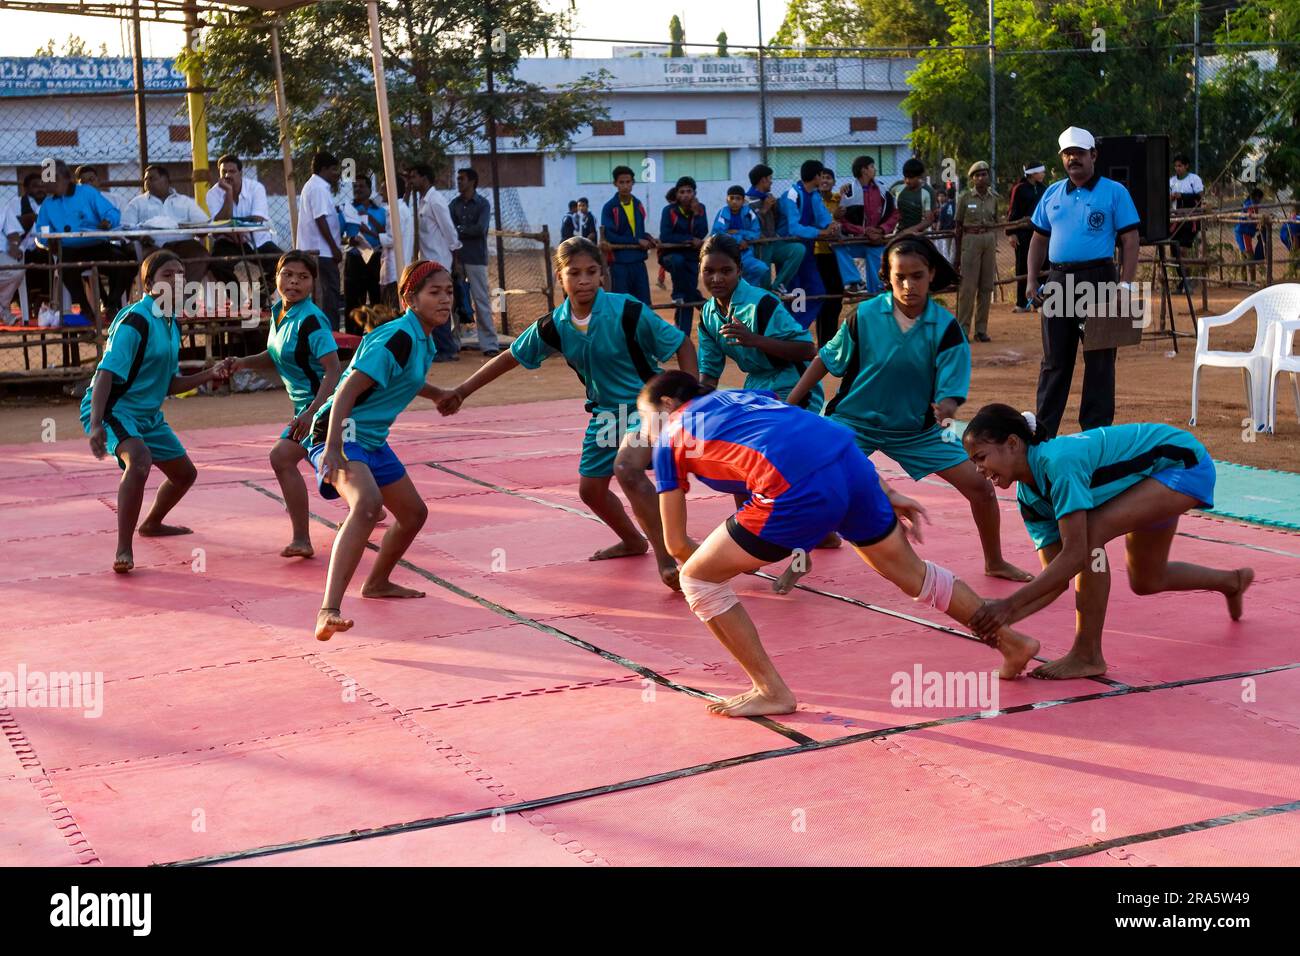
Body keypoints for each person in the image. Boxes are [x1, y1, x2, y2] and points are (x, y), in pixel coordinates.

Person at [641, 372, 1042, 717]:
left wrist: (717, 577)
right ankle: (1012, 642)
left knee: (698, 581)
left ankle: (770, 690)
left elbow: (676, 544)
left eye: (643, 419)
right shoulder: (742, 395)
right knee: (913, 573)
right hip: (850, 464)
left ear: (666, 403)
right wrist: (884, 489)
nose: (643, 431)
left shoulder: (670, 435)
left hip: (794, 487)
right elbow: (809, 434)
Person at [437, 236, 697, 590]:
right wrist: (462, 391)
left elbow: (682, 342)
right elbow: (510, 356)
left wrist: (687, 400)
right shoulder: (554, 325)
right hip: (606, 415)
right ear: (560, 277)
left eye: (591, 272)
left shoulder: (628, 310)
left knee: (627, 469)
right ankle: (633, 540)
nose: (584, 280)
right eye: (574, 273)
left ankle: (669, 559)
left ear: (603, 275)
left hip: (647, 407)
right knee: (590, 491)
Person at [787, 234, 1031, 591]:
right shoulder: (865, 315)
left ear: (931, 274)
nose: (908, 284)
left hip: (916, 431)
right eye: (899, 276)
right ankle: (807, 547)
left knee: (981, 487)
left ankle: (995, 562)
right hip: (853, 423)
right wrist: (792, 402)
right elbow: (826, 359)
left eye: (916, 275)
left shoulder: (945, 328)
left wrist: (947, 405)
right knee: (813, 479)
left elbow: (950, 387)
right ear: (887, 276)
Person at [963, 404, 1254, 680]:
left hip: (1183, 465)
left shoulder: (1058, 462)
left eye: (981, 457)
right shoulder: (1029, 500)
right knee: (1148, 580)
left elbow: (1076, 555)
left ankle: (1088, 653)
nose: (978, 469)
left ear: (1013, 443)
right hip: (1144, 484)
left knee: (1089, 536)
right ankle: (1232, 581)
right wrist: (1002, 622)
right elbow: (1057, 577)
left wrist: (1009, 606)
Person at [308, 260, 461, 641]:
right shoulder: (397, 337)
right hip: (340, 431)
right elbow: (346, 389)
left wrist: (436, 393)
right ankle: (328, 611)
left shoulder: (423, 338)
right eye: (434, 293)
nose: (445, 300)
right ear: (410, 298)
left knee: (413, 514)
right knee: (367, 505)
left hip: (372, 438)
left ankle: (376, 582)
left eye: (449, 292)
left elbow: (406, 378)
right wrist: (332, 448)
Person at [696, 233, 836, 589]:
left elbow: (807, 350)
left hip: (794, 386)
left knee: (784, 474)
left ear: (739, 271)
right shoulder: (709, 314)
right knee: (737, 464)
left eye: (725, 270)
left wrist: (755, 340)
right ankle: (755, 534)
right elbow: (709, 374)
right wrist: (693, 411)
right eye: (709, 271)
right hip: (756, 388)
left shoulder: (762, 304)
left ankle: (798, 552)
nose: (717, 278)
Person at [80, 250, 234, 573]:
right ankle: (124, 549)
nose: (176, 280)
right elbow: (105, 375)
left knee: (185, 475)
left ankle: (152, 523)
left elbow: (169, 384)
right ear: (149, 283)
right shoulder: (136, 319)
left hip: (148, 415)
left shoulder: (170, 322)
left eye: (181, 274)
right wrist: (96, 423)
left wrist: (210, 373)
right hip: (113, 408)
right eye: (168, 275)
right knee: (139, 461)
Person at [1026, 126, 1141, 439]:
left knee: (1100, 360)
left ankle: (1095, 433)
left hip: (1100, 279)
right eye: (1067, 153)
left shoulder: (1115, 192)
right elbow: (1038, 238)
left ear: (1094, 155)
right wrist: (1032, 278)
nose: (1073, 158)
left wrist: (1126, 286)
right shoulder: (1051, 193)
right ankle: (1043, 432)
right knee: (1054, 360)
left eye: (1079, 152)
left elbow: (1130, 240)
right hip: (1058, 280)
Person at [230, 252, 342, 557]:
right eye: (287, 274)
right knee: (344, 467)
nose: (293, 282)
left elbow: (333, 370)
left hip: (325, 406)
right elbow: (275, 356)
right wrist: (241, 363)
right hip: (306, 408)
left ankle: (302, 540)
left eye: (302, 277)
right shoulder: (280, 311)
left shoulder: (312, 320)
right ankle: (376, 505)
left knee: (281, 457)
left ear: (312, 283)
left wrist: (311, 413)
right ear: (276, 278)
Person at [34, 160, 133, 321]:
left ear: (66, 178)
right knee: (65, 266)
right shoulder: (48, 204)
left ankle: (112, 304)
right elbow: (41, 231)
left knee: (124, 263)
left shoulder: (87, 192)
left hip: (95, 244)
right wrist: (48, 241)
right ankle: (86, 310)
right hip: (69, 249)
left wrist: (107, 221)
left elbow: (111, 211)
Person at [406, 162, 462, 360]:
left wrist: (455, 258)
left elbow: (449, 230)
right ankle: (441, 347)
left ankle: (447, 349)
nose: (411, 181)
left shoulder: (436, 201)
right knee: (430, 304)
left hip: (439, 262)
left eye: (414, 177)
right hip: (428, 262)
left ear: (424, 178)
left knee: (439, 303)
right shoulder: (423, 201)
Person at [778, 159, 839, 333]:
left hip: (808, 253)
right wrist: (821, 233)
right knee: (795, 294)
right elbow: (793, 227)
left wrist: (832, 226)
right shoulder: (792, 194)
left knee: (817, 291)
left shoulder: (813, 195)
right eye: (822, 175)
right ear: (816, 176)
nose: (823, 179)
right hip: (792, 253)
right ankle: (792, 333)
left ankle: (797, 329)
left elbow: (823, 219)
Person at [206, 154, 281, 286]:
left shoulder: (256, 188)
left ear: (240, 173)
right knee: (216, 264)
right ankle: (237, 296)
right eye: (224, 172)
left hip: (257, 240)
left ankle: (262, 295)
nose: (227, 175)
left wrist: (233, 226)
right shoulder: (213, 193)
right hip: (229, 240)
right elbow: (218, 224)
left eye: (232, 171)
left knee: (280, 262)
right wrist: (228, 194)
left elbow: (257, 218)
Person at [449, 167, 501, 356]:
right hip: (457, 259)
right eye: (458, 179)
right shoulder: (453, 204)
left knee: (481, 300)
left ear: (472, 181)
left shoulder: (483, 204)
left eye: (461, 179)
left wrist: (459, 230)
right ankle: (454, 343)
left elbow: (480, 229)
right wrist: (463, 230)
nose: (458, 182)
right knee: (454, 301)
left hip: (476, 257)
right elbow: (451, 231)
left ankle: (489, 344)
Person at [296, 151, 345, 329]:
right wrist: (334, 248)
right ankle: (331, 337)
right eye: (334, 170)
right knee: (329, 295)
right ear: (323, 169)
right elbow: (320, 219)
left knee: (322, 295)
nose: (337, 174)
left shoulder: (316, 187)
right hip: (322, 252)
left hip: (318, 251)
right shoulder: (318, 188)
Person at [838, 154, 898, 294]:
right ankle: (854, 281)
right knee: (838, 246)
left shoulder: (882, 189)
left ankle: (876, 298)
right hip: (857, 241)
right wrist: (863, 231)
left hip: (876, 241)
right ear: (864, 170)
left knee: (877, 287)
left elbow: (895, 213)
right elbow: (842, 219)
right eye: (872, 166)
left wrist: (882, 230)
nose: (874, 169)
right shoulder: (848, 192)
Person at [954, 160, 999, 342]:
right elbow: (957, 227)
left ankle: (981, 329)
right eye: (977, 175)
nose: (981, 178)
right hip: (970, 240)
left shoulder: (994, 198)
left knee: (986, 286)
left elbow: (995, 220)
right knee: (967, 288)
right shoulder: (964, 198)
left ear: (988, 177)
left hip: (988, 239)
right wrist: (956, 256)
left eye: (984, 174)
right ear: (972, 179)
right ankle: (963, 329)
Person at [658, 176, 708, 335]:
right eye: (682, 192)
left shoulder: (700, 209)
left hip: (692, 258)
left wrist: (696, 215)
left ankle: (682, 332)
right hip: (670, 256)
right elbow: (665, 236)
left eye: (689, 191)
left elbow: (702, 233)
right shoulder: (669, 211)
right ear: (677, 194)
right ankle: (704, 306)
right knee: (678, 262)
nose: (686, 195)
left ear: (694, 193)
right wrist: (688, 239)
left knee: (687, 297)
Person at [600, 165, 654, 306]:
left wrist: (648, 237)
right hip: (619, 264)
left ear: (633, 183)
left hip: (638, 262)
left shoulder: (638, 204)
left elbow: (638, 232)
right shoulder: (609, 207)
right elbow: (610, 236)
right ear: (615, 184)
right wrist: (637, 241)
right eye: (621, 182)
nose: (625, 186)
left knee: (644, 305)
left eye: (628, 182)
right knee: (622, 305)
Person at [338, 176, 387, 330]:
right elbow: (339, 236)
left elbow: (385, 232)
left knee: (377, 300)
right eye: (355, 187)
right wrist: (348, 240)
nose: (358, 189)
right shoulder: (347, 210)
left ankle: (378, 336)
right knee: (353, 302)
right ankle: (353, 341)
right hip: (355, 258)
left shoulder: (381, 211)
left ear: (370, 190)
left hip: (376, 259)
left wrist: (368, 216)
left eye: (361, 186)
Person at [745, 163, 803, 291]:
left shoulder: (768, 198)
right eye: (770, 178)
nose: (771, 182)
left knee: (798, 250)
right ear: (763, 180)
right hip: (759, 246)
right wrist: (765, 209)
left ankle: (778, 286)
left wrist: (775, 208)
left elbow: (776, 222)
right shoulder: (747, 201)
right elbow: (749, 225)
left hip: (773, 242)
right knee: (763, 283)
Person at [1, 171, 45, 316]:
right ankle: (23, 302)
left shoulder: (51, 204)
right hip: (23, 250)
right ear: (25, 189)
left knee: (55, 263)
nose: (40, 189)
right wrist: (26, 220)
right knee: (20, 267)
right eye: (35, 186)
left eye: (42, 186)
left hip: (46, 249)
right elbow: (12, 232)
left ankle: (43, 300)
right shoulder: (15, 204)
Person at [1006, 162, 1048, 312]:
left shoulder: (1044, 189)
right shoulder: (1019, 189)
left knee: (1044, 266)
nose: (1043, 174)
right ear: (1032, 174)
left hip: (1042, 234)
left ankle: (1040, 302)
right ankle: (1022, 302)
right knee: (1023, 267)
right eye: (1041, 172)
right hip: (1024, 235)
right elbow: (1012, 211)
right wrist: (1011, 233)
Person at [711, 185, 769, 287]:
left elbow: (756, 233)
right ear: (727, 200)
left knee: (762, 268)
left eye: (738, 198)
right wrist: (738, 240)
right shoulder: (722, 213)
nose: (734, 201)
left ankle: (747, 289)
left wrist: (738, 232)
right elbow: (717, 234)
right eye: (731, 198)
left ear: (743, 201)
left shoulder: (749, 212)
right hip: (726, 255)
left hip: (746, 254)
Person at [890, 158, 938, 236]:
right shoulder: (897, 186)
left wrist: (909, 231)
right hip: (898, 232)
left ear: (920, 176)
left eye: (911, 178)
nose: (907, 181)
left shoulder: (928, 192)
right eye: (905, 177)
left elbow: (929, 220)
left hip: (920, 235)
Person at [1234, 188, 1266, 284]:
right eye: (1260, 198)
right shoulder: (1249, 204)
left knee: (1244, 256)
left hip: (1245, 232)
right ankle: (1252, 281)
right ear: (1257, 197)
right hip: (1243, 232)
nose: (1260, 201)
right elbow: (1250, 216)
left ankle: (1245, 280)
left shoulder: (1252, 204)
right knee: (1249, 255)